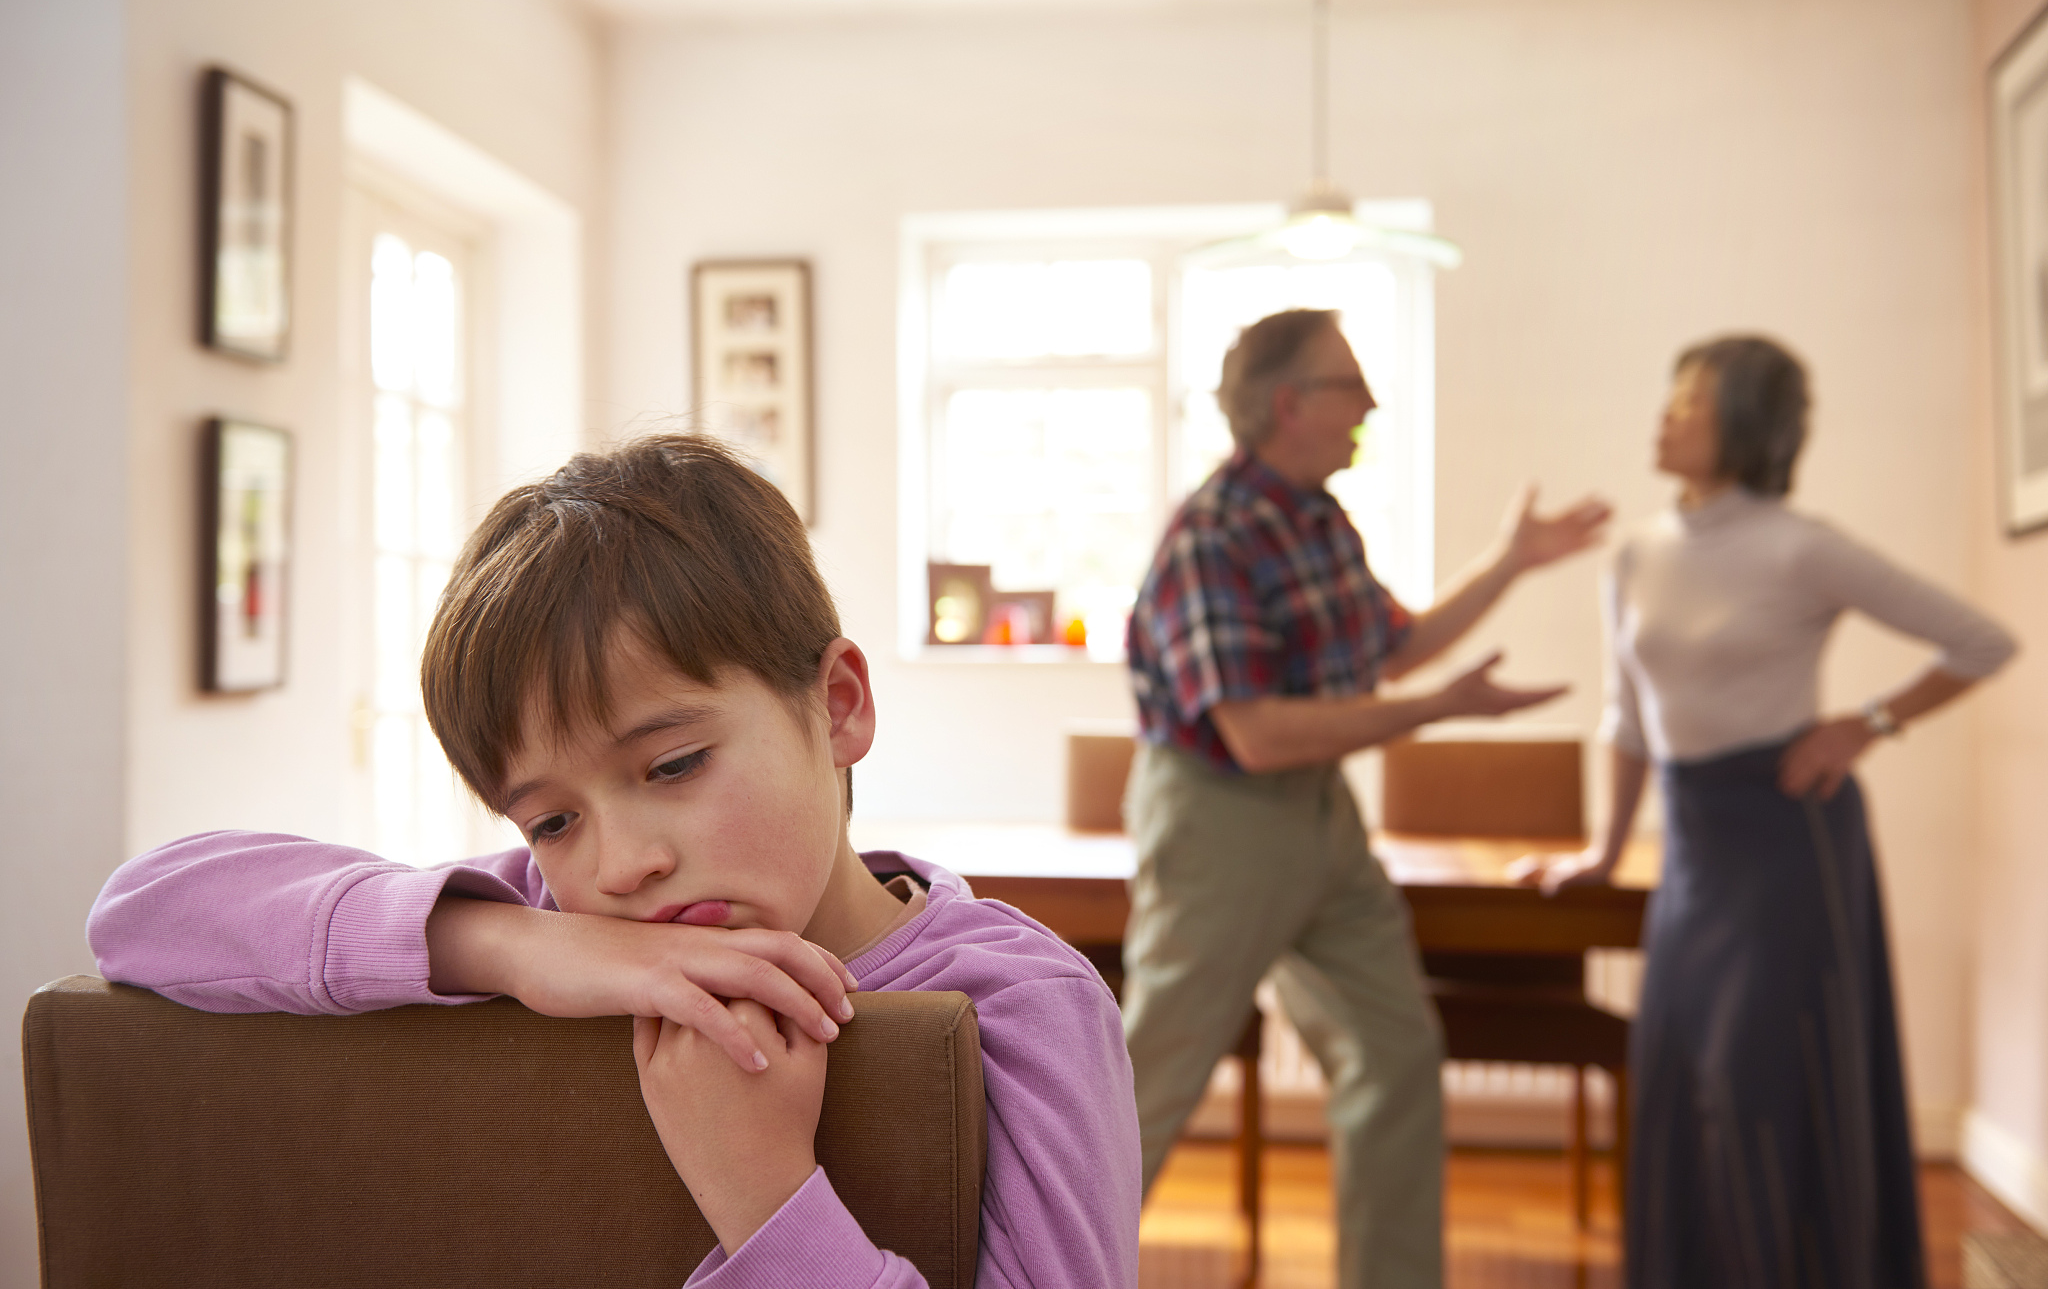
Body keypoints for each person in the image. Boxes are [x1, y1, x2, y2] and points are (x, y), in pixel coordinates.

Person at [89, 435, 1142, 1289]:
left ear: (837, 707)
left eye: (673, 764)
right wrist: (511, 946)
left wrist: (766, 1197)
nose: (618, 864)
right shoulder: (559, 922)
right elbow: (144, 910)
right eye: (549, 821)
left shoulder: (1021, 1004)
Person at [1122, 307, 1612, 1288]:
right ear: (1287, 403)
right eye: (1350, 385)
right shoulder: (1211, 535)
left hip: (1320, 820)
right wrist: (1441, 710)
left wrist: (1509, 562)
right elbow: (1253, 733)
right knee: (1148, 1086)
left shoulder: (1318, 519)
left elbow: (1392, 648)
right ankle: (1019, 1269)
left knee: (1392, 1054)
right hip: (1221, 819)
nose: (1370, 404)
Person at [1515, 335, 2017, 1288]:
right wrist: (1604, 851)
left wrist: (1866, 724)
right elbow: (1627, 724)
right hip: (1693, 851)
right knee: (1684, 1083)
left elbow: (1981, 639)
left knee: (1769, 1086)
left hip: (1791, 848)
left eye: (1690, 402)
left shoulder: (1801, 547)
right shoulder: (1634, 557)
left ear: (1745, 422)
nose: (1665, 416)